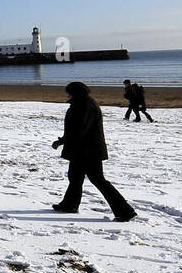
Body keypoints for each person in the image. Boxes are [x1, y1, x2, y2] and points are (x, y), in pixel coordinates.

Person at [51, 81, 136, 221]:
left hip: (88, 151)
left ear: (76, 93)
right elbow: (74, 129)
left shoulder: (85, 105)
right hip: (83, 149)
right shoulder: (81, 103)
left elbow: (79, 130)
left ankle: (125, 211)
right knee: (75, 178)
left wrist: (64, 141)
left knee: (98, 180)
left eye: (69, 92)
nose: (68, 95)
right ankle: (69, 205)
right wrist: (62, 141)